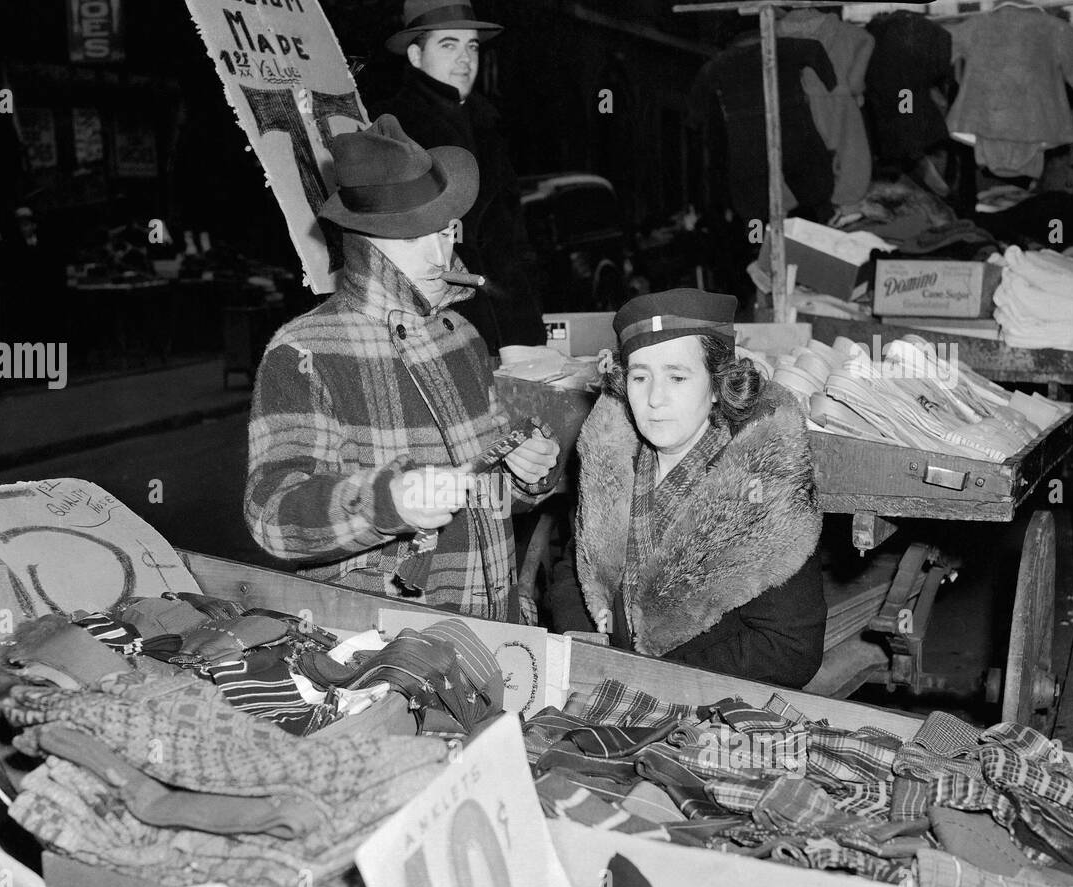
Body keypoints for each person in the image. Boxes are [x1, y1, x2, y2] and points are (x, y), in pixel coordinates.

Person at [244, 116, 561, 623]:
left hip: (490, 628)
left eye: (447, 231)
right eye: (419, 238)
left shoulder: (462, 336)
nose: (443, 255)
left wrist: (522, 474)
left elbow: (487, 497)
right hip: (381, 647)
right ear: (369, 244)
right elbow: (271, 516)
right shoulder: (304, 350)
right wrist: (385, 500)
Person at [550, 289, 827, 687]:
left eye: (677, 377)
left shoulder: (761, 490)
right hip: (603, 690)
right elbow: (572, 570)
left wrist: (657, 680)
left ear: (719, 385)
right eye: (639, 376)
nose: (654, 399)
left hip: (710, 717)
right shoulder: (610, 465)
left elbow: (789, 648)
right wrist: (588, 652)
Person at [374, 0, 549, 359]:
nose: (466, 58)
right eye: (448, 44)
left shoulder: (489, 126)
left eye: (472, 46)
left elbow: (512, 243)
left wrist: (528, 329)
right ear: (415, 55)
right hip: (439, 337)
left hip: (511, 334)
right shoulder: (393, 130)